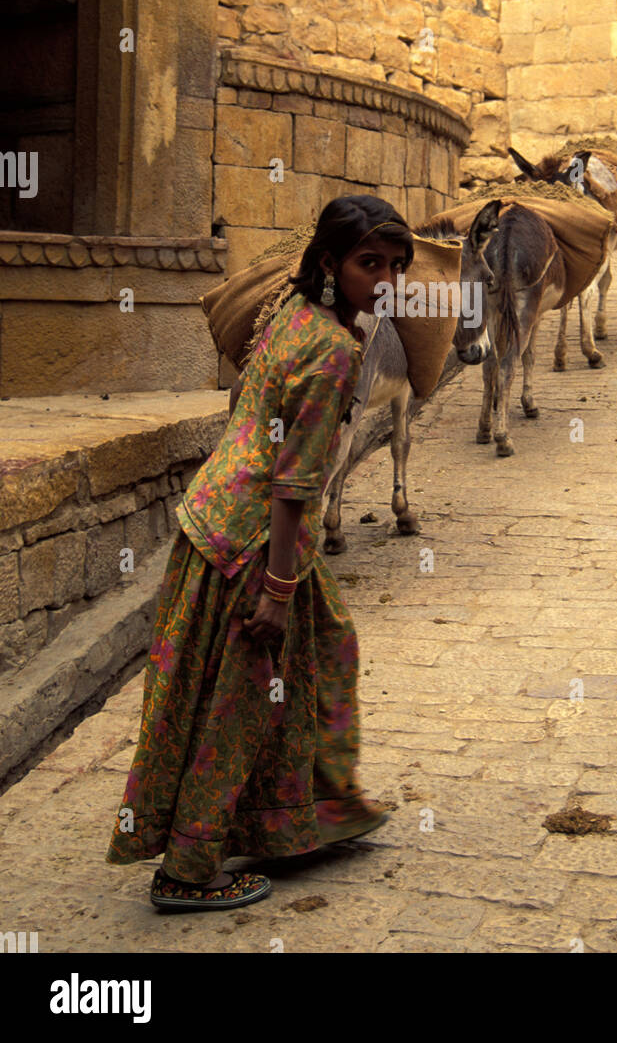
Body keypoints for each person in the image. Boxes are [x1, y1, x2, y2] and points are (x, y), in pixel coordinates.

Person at [106, 195, 414, 911]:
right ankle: (188, 871)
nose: (387, 280)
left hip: (210, 519)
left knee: (324, 646)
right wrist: (275, 591)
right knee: (236, 704)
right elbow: (296, 484)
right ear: (333, 263)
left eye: (397, 267)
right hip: (251, 545)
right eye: (371, 264)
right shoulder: (333, 351)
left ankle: (306, 815)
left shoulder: (289, 313)